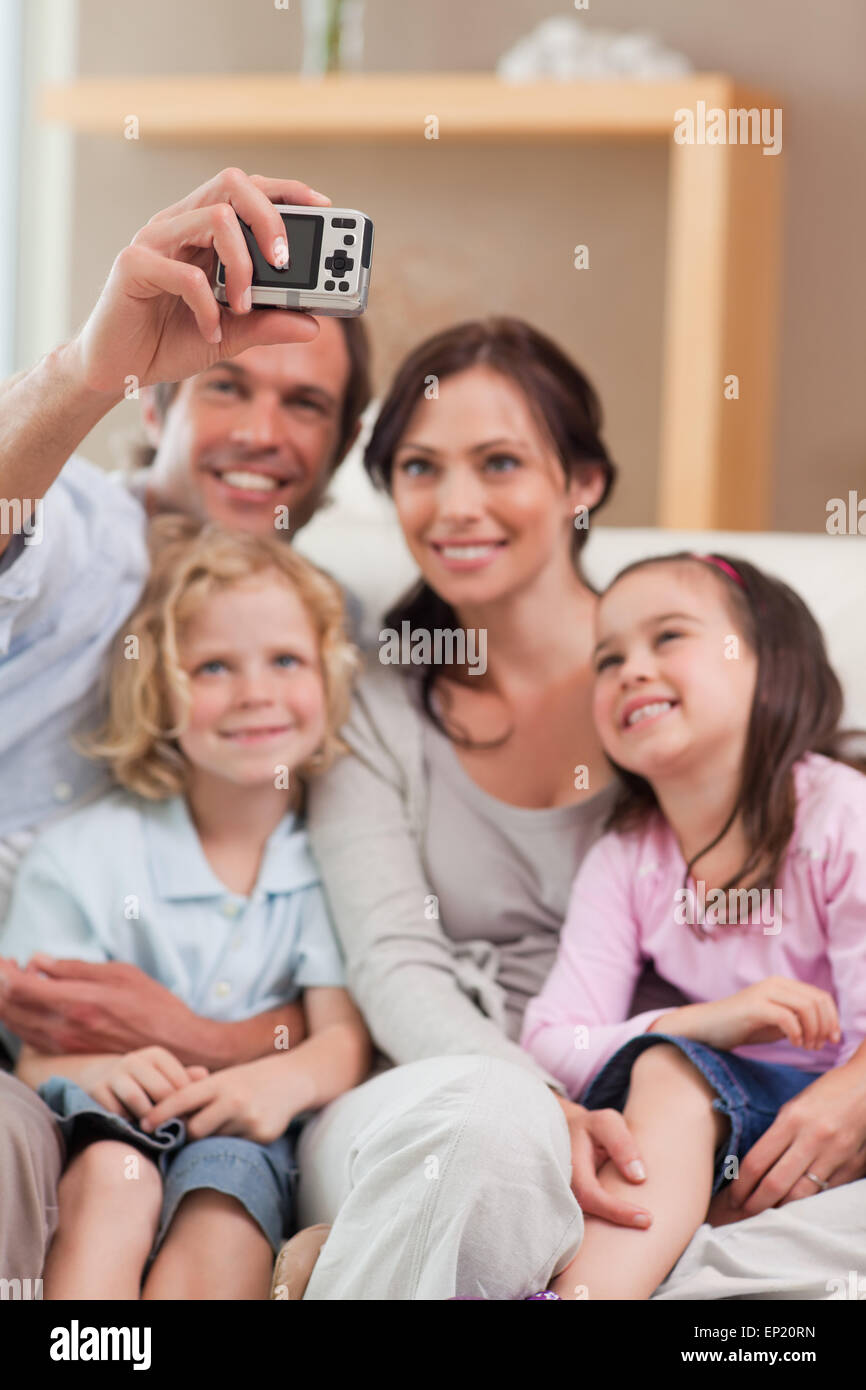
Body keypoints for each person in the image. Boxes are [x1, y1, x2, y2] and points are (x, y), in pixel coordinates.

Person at [286, 320, 866, 1301]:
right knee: (489, 1135)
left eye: (499, 461)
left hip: (666, 1119)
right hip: (449, 1083)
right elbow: (394, 961)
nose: (455, 503)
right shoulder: (369, 707)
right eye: (419, 468)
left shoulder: (685, 697)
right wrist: (540, 1100)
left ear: (581, 482)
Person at [0, 166, 370, 1285]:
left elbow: (341, 962)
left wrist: (217, 1044)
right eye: (226, 385)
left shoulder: (318, 641)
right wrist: (86, 372)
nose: (263, 430)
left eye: (304, 403)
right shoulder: (74, 526)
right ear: (156, 403)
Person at [1, 518, 370, 1299]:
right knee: (115, 1174)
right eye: (212, 667)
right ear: (158, 693)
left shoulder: (328, 859)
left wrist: (277, 1085)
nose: (256, 693)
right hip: (104, 1125)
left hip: (248, 1135)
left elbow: (342, 1039)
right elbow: (34, 1055)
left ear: (329, 680)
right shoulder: (84, 855)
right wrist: (104, 1067)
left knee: (223, 1205)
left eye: (285, 660)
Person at [521, 552, 866, 1299]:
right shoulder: (625, 859)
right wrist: (703, 1023)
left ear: (768, 664)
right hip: (735, 1121)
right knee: (670, 1069)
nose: (630, 670)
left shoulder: (842, 816)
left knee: (670, 1075)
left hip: (841, 1110)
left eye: (668, 637)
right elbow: (554, 1037)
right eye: (608, 658)